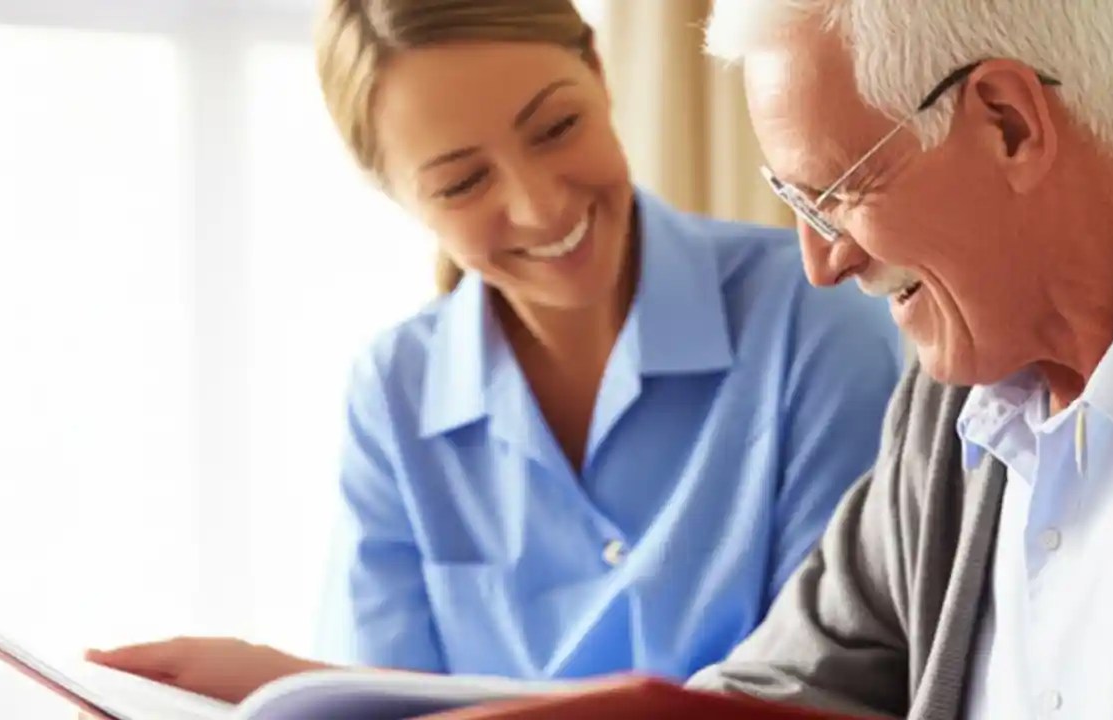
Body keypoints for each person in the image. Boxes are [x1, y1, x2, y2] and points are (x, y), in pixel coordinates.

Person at [83, 0, 901, 700]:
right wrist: (277, 690)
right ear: (402, 198)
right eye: (463, 183)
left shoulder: (816, 318)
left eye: (556, 128)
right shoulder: (395, 390)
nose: (540, 208)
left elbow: (831, 690)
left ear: (599, 71)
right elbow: (386, 703)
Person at [675, 1, 1113, 719]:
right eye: (796, 199)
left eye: (837, 195)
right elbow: (781, 688)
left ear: (1008, 123)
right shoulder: (950, 410)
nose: (821, 263)